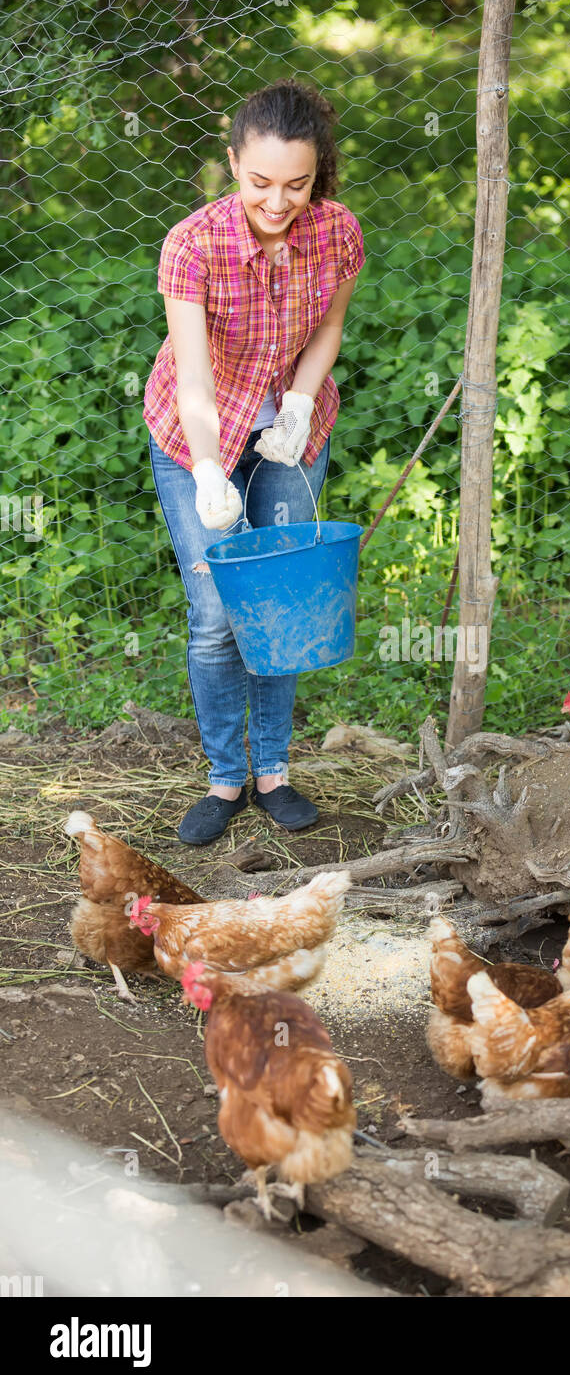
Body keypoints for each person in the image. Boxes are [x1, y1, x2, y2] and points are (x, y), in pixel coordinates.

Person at [143, 78, 365, 845]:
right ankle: (223, 779)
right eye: (261, 181)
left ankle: (272, 770)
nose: (278, 201)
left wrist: (301, 403)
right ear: (234, 162)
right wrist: (209, 470)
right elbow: (195, 376)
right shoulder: (193, 244)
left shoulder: (337, 232)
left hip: (288, 435)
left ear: (319, 173)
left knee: (281, 603)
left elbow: (329, 330)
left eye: (297, 184)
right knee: (214, 619)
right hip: (195, 436)